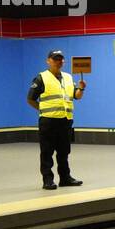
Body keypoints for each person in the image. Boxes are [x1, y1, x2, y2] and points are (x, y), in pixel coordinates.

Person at [27, 49, 86, 189]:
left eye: (60, 59)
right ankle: (48, 180)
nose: (58, 61)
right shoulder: (41, 78)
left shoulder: (68, 77)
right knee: (47, 152)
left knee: (64, 151)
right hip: (48, 121)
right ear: (48, 61)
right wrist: (43, 110)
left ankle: (65, 178)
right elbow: (30, 99)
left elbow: (75, 96)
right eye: (55, 59)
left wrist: (81, 88)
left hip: (65, 120)